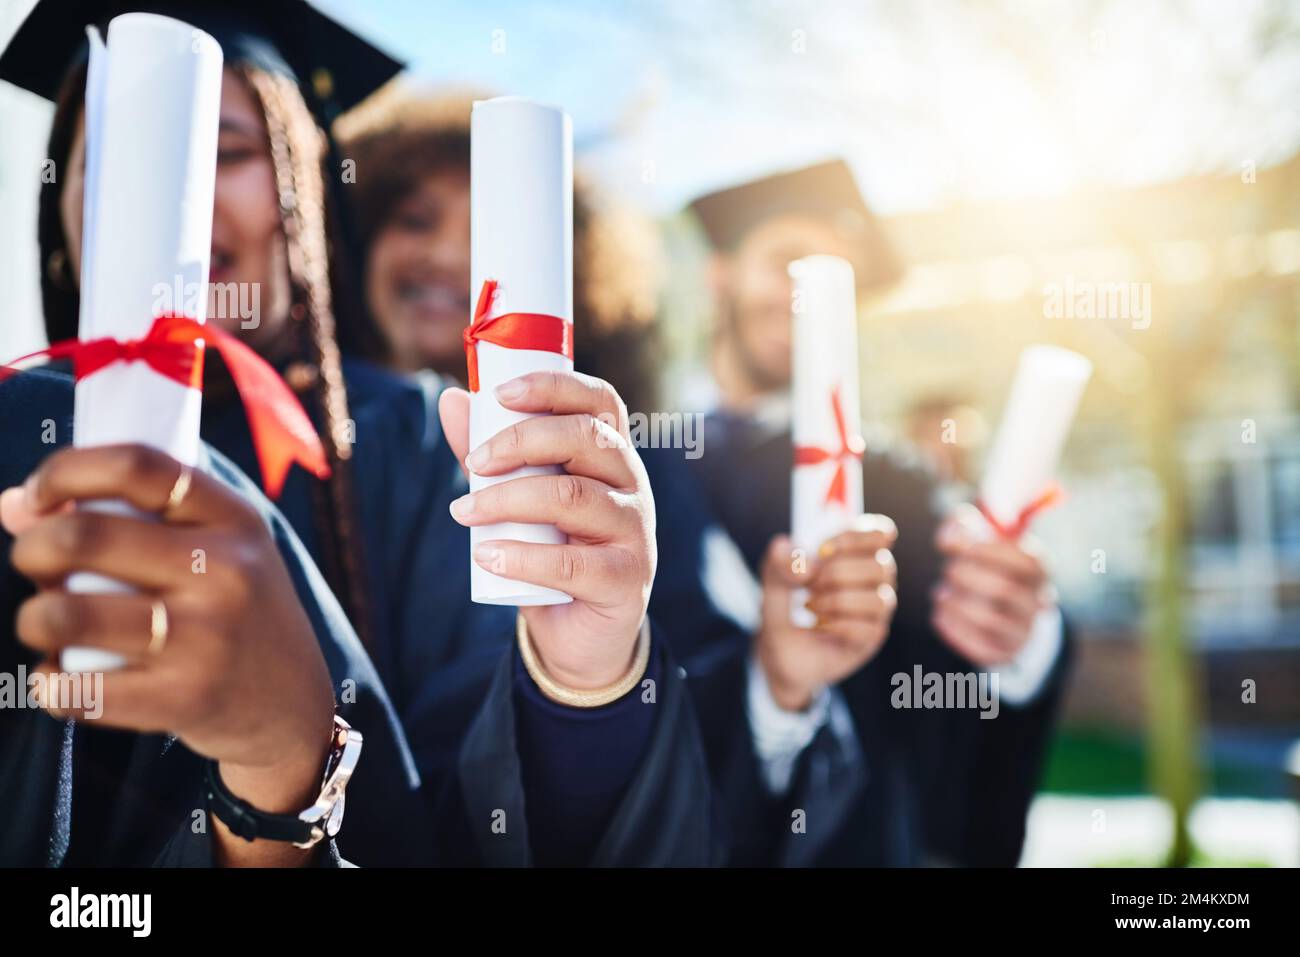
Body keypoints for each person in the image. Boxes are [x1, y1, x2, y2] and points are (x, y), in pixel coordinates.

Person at [0, 0, 718, 867]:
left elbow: (481, 823)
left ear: (301, 187)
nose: (154, 182)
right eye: (103, 156)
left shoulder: (405, 439)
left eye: (226, 151)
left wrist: (584, 681)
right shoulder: (21, 425)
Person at [337, 91, 909, 869]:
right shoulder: (280, 447)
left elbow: (704, 699)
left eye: (490, 232)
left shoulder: (628, 475)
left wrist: (776, 681)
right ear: (358, 234)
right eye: (415, 220)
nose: (448, 256)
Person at [677, 160, 1073, 865]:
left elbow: (962, 655)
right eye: (787, 263)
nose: (804, 296)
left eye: (835, 280)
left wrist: (1020, 634)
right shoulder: (636, 457)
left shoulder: (892, 483)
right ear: (720, 274)